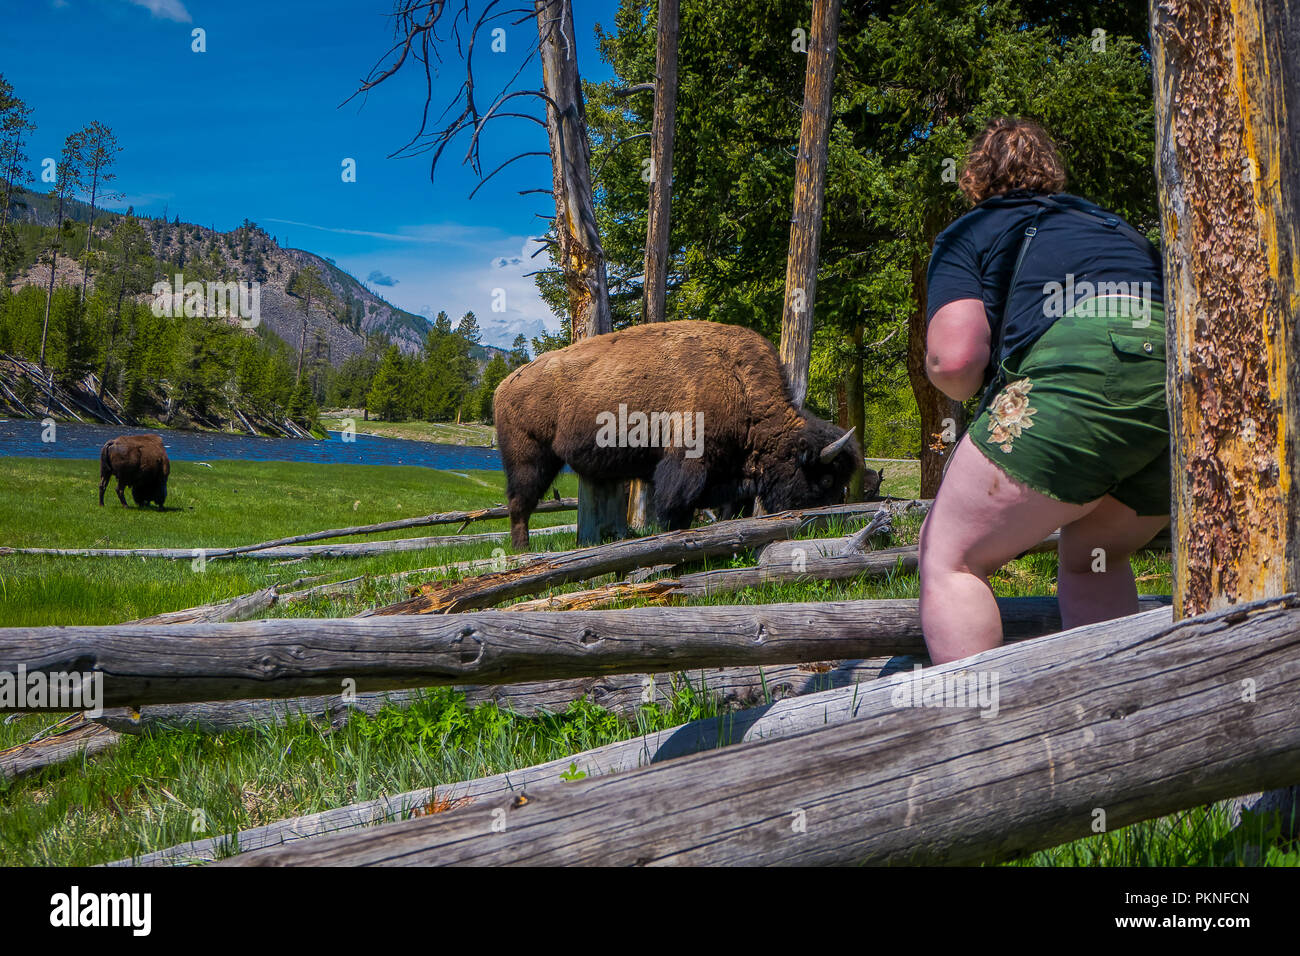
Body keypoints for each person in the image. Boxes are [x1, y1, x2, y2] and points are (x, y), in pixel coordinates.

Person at [918, 117, 1169, 665]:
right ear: (1051, 173)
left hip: (1078, 374)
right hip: (1176, 396)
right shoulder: (1116, 228)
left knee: (950, 556)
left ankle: (981, 741)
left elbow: (954, 360)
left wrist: (964, 388)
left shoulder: (972, 231)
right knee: (1092, 556)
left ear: (974, 181)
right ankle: (1117, 717)